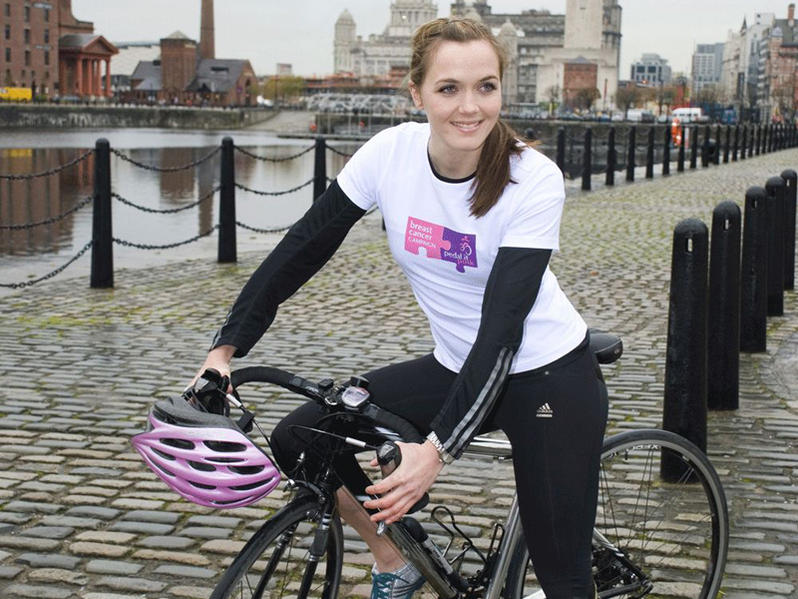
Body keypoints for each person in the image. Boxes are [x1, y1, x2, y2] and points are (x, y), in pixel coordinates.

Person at [196, 17, 607, 599]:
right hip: (458, 364)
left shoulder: (532, 180)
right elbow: (300, 250)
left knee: (564, 578)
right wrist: (224, 351)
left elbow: (503, 328)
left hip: (546, 375)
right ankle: (395, 557)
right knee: (301, 438)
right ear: (416, 94)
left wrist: (435, 450)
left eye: (485, 86)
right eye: (449, 89)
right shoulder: (391, 154)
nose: (470, 107)